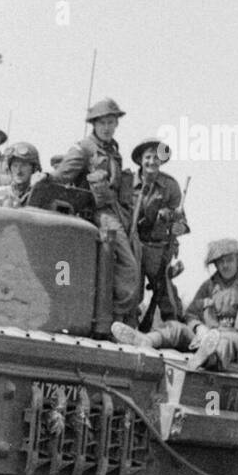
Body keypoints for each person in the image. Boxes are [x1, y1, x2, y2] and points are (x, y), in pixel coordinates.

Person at [113, 239, 238, 370]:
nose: (225, 265)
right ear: (215, 265)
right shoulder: (208, 286)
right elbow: (190, 314)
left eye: (229, 260)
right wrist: (199, 328)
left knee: (224, 344)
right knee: (175, 328)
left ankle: (208, 358)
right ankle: (146, 340)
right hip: (206, 335)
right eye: (220, 262)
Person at [52, 98, 140, 322]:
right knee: (128, 268)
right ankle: (114, 318)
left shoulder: (113, 151)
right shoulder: (84, 148)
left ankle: (117, 318)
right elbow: (60, 177)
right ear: (94, 124)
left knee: (126, 265)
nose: (107, 127)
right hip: (96, 214)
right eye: (103, 123)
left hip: (117, 213)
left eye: (111, 122)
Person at [129, 138, 188, 321]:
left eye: (156, 158)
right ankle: (130, 324)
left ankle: (176, 327)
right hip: (133, 246)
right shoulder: (127, 182)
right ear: (140, 160)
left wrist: (176, 225)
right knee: (131, 289)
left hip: (158, 248)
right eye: (148, 157)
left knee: (164, 291)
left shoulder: (170, 186)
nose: (152, 162)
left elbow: (181, 220)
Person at [0, 142, 41, 207]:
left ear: (34, 168)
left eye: (24, 165)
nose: (18, 171)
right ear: (9, 169)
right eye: (15, 166)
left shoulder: (39, 196)